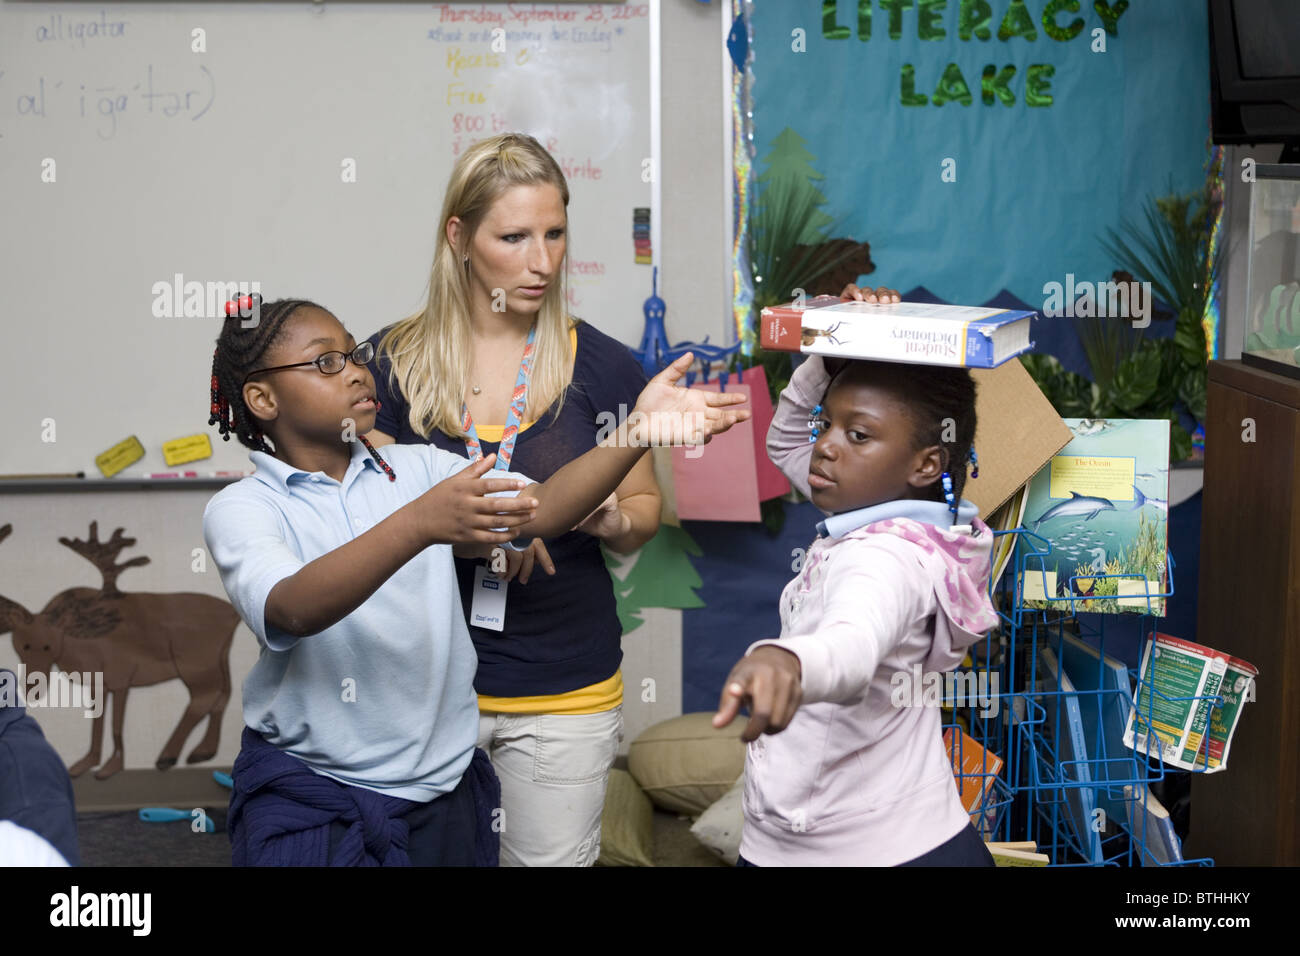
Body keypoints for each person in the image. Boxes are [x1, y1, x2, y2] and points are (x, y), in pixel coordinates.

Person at [203, 295, 745, 866]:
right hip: (314, 789)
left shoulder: (420, 470)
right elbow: (292, 608)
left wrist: (637, 430)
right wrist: (420, 524)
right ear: (263, 398)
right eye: (327, 362)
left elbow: (540, 507)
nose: (359, 370)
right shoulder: (245, 508)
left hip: (442, 795)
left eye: (355, 353)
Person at [364, 133, 665, 866]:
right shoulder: (388, 364)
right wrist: (460, 532)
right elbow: (361, 520)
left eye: (555, 234)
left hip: (564, 688)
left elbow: (646, 510)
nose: (543, 262)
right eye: (515, 237)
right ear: (460, 236)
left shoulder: (602, 363)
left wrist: (613, 518)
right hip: (422, 691)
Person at [712, 301, 1000, 866]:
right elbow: (788, 441)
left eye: (859, 435)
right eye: (828, 424)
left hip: (851, 851)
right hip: (913, 831)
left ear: (925, 463)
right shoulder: (917, 519)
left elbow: (853, 642)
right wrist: (832, 349)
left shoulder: (885, 558)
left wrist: (789, 662)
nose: (826, 445)